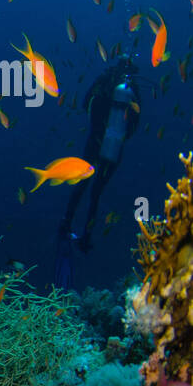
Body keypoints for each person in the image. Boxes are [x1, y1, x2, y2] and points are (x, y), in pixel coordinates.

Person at [54, 55, 143, 287]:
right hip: (113, 148)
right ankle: (86, 236)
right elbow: (134, 123)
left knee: (81, 184)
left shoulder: (103, 81)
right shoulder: (131, 89)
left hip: (94, 142)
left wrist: (98, 126)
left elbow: (86, 103)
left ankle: (66, 223)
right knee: (97, 193)